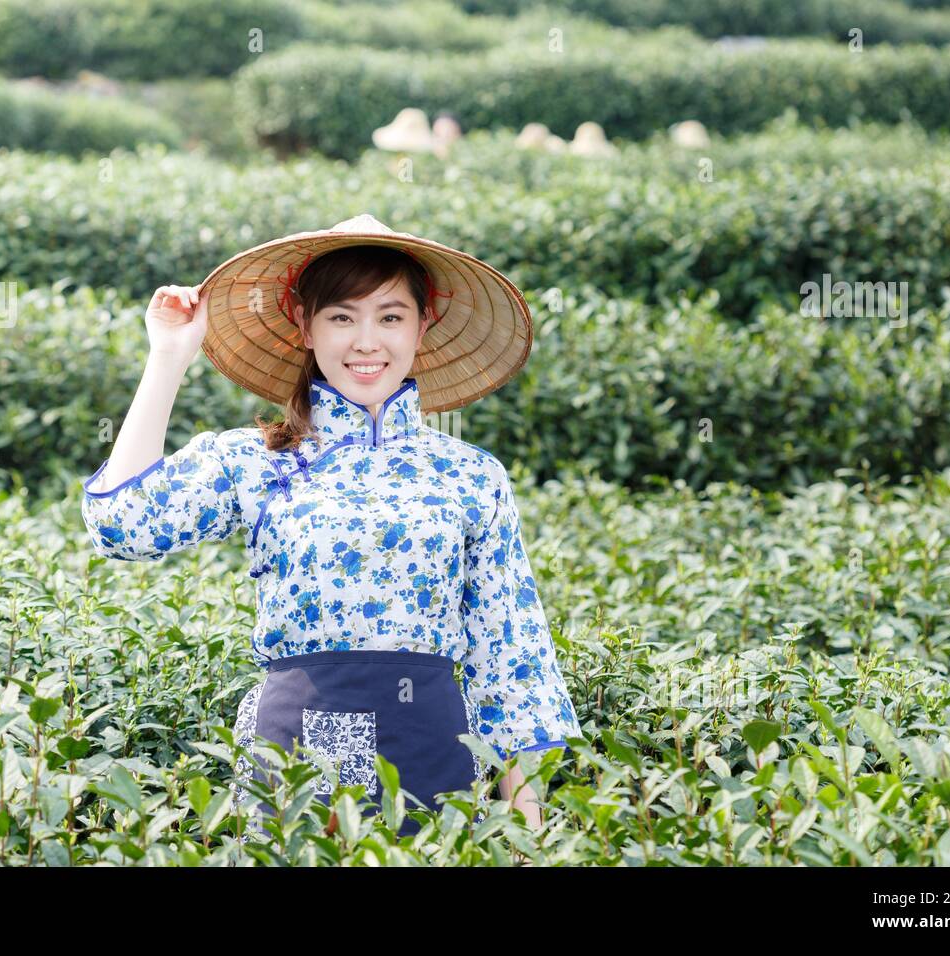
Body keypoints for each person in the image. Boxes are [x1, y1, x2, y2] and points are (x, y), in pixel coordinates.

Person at [79, 214, 582, 839]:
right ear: (305, 324)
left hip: (436, 753)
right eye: (342, 316)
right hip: (295, 760)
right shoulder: (257, 460)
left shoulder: (471, 476)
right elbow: (120, 525)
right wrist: (168, 359)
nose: (367, 342)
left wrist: (528, 838)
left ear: (424, 326)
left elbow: (513, 659)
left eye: (390, 317)